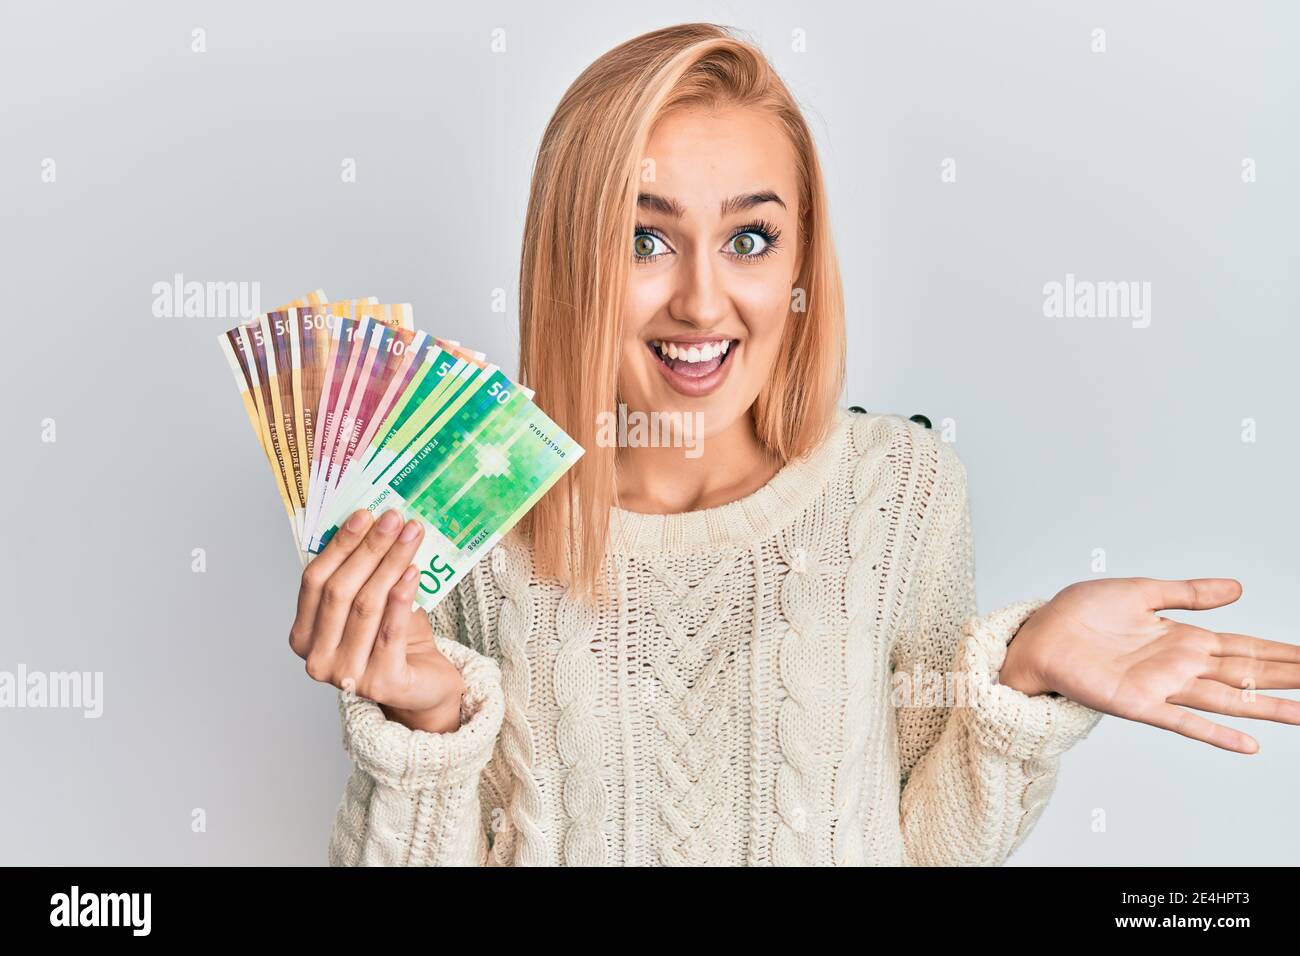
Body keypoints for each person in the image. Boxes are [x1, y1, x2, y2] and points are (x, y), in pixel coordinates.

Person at [288, 23, 1300, 866]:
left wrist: (1021, 678)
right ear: (570, 256)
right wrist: (423, 727)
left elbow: (924, 849)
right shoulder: (461, 513)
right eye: (643, 237)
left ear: (802, 256)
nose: (700, 297)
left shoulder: (900, 491)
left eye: (750, 238)